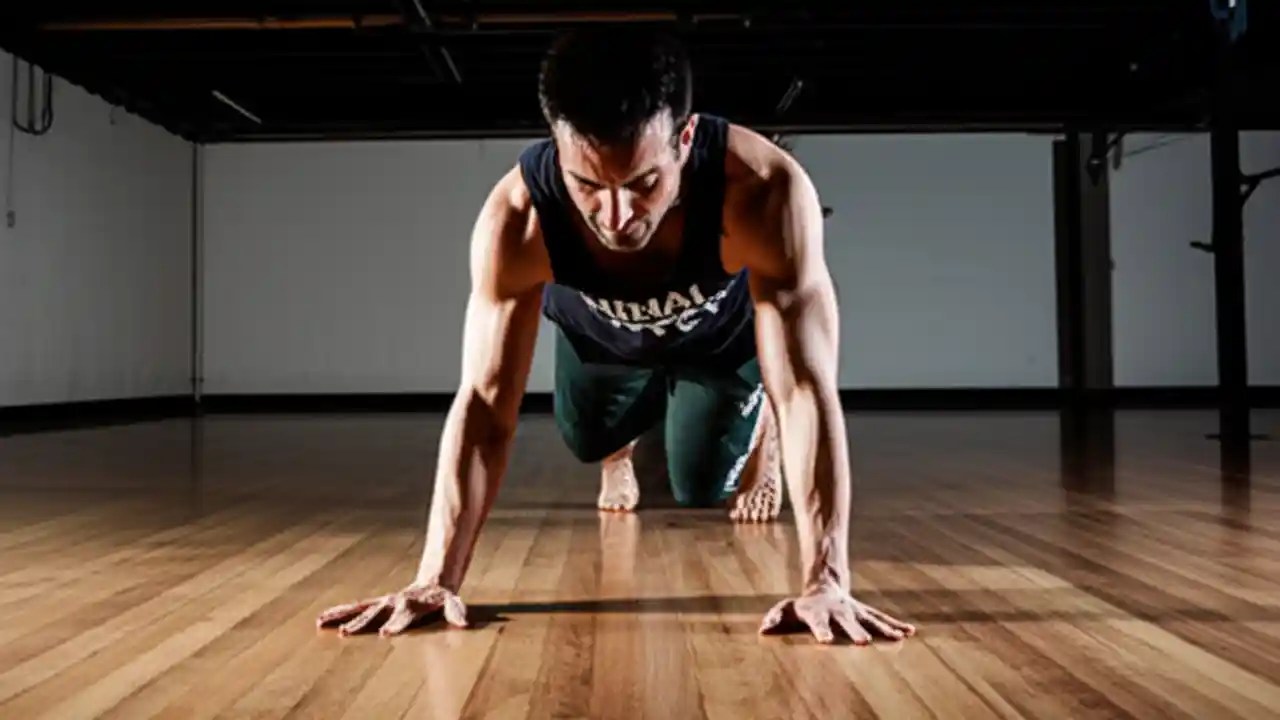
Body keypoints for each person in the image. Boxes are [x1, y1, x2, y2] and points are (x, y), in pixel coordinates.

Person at [316, 28, 916, 645]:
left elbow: (807, 392)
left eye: (643, 184)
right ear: (558, 145)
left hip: (715, 348)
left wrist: (827, 579)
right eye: (588, 188)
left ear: (684, 139)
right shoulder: (517, 218)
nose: (617, 217)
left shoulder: (763, 191)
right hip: (602, 341)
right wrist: (435, 577)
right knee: (585, 437)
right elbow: (486, 405)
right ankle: (623, 448)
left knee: (699, 484)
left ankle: (742, 423)